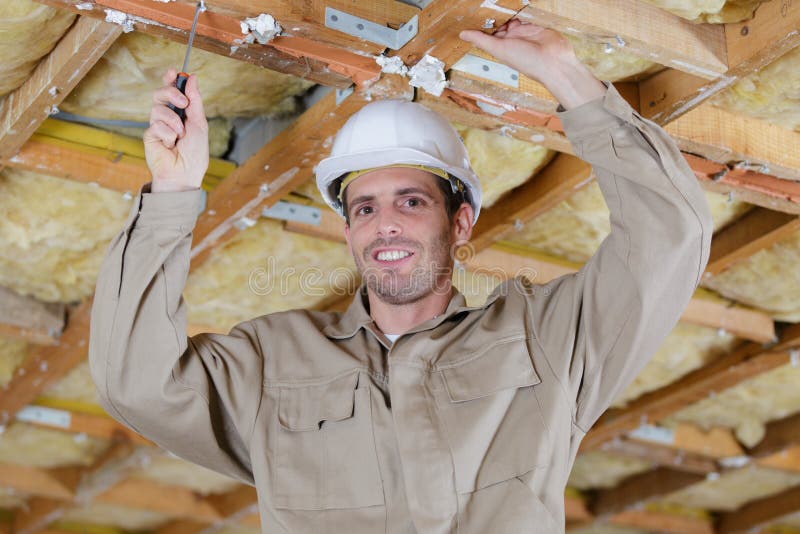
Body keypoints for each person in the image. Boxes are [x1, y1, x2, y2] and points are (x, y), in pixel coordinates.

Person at [89, 19, 711, 533]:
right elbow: (136, 384)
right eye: (365, 207)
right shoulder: (272, 364)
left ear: (460, 222)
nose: (385, 224)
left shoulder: (544, 342)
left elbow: (668, 238)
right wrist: (172, 192)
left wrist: (567, 76)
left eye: (411, 201)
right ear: (349, 230)